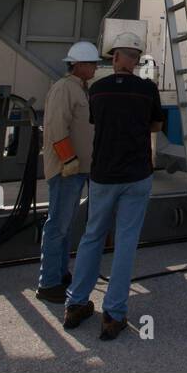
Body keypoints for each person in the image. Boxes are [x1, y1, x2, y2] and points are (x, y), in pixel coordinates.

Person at [64, 30, 162, 340]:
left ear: (115, 57)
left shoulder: (98, 89)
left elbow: (96, 121)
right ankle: (113, 315)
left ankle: (76, 304)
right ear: (136, 59)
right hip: (137, 175)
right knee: (126, 241)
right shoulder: (148, 90)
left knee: (92, 237)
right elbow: (156, 125)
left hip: (103, 174)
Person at [36, 40, 102, 303]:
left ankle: (60, 273)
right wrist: (68, 159)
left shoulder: (81, 90)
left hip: (79, 168)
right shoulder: (64, 89)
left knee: (64, 226)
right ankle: (49, 282)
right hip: (68, 170)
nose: (96, 67)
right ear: (79, 65)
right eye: (93, 63)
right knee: (58, 226)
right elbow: (55, 127)